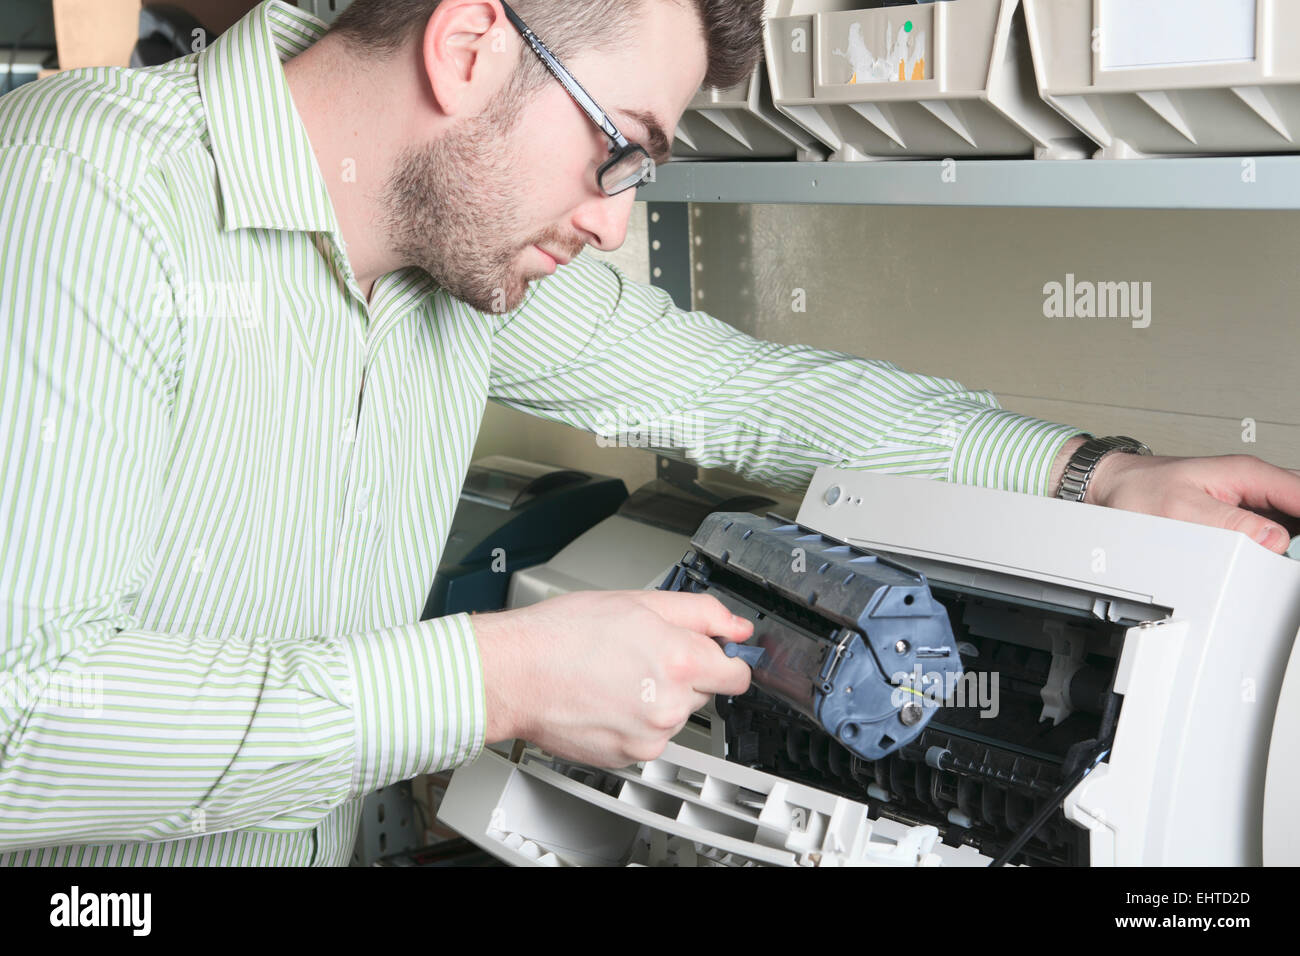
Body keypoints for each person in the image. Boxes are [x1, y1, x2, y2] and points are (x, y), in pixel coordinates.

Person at [0, 0, 1295, 866]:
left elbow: (735, 391)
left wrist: (1089, 474)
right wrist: (493, 679)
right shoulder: (86, 193)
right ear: (467, 47)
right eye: (619, 150)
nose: (617, 221)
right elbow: (20, 728)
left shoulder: (445, 269)